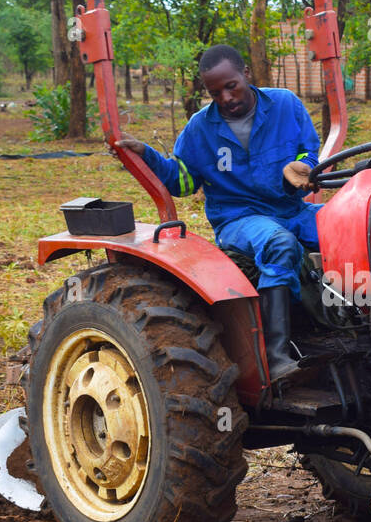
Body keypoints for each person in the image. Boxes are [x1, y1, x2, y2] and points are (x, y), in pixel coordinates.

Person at [116, 44, 320, 384]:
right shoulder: (200, 128)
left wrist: (304, 165)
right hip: (239, 218)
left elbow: (308, 149)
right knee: (279, 244)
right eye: (215, 93)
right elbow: (182, 180)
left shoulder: (285, 105)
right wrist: (146, 155)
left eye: (231, 86)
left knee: (352, 228)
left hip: (292, 208)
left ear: (247, 75)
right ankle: (277, 354)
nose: (225, 98)